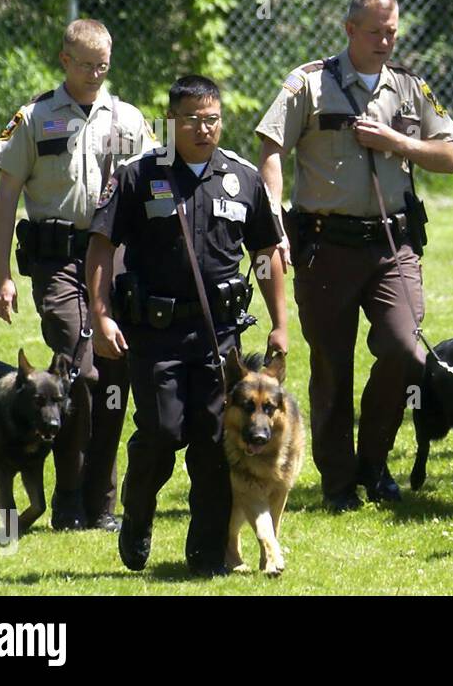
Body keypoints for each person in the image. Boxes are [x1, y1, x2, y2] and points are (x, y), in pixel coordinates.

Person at [255, 0, 453, 512]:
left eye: (392, 32)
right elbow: (272, 146)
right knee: (332, 365)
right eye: (375, 32)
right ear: (350, 30)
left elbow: (449, 155)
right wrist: (274, 211)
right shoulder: (308, 83)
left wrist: (399, 143)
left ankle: (374, 460)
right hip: (326, 245)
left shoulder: (411, 88)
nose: (385, 42)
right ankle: (339, 481)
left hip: (393, 245)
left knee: (405, 350)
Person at [86, 75, 287, 576]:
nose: (205, 128)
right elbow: (101, 245)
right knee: (161, 431)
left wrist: (281, 323)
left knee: (213, 439)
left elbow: (265, 253)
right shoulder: (137, 174)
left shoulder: (242, 178)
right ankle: (137, 515)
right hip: (155, 333)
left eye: (213, 118)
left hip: (221, 337)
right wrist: (101, 312)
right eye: (193, 119)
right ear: (170, 121)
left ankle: (205, 553)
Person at [0, 18, 156, 531]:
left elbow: (150, 192)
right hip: (56, 261)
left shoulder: (128, 118)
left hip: (115, 257)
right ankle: (67, 499)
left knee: (115, 377)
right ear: (65, 60)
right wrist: (1, 276)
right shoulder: (34, 117)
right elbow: (6, 199)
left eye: (102, 66)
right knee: (81, 372)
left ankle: (100, 504)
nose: (94, 74)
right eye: (85, 65)